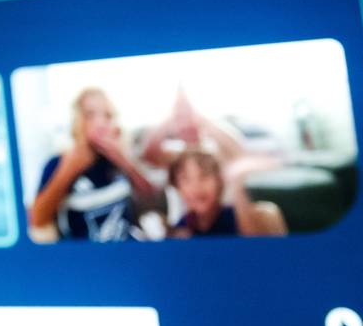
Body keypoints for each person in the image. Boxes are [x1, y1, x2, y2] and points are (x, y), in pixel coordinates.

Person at [28, 87, 162, 242]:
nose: (100, 123)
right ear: (77, 121)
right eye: (89, 115)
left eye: (107, 116)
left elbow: (154, 200)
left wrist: (124, 161)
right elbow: (37, 220)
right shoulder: (58, 162)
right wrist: (69, 169)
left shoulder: (121, 158)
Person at [167, 150, 286, 238]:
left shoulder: (241, 217)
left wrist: (237, 186)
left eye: (204, 176)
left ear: (220, 181)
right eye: (185, 180)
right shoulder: (181, 228)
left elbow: (259, 248)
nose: (196, 187)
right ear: (177, 188)